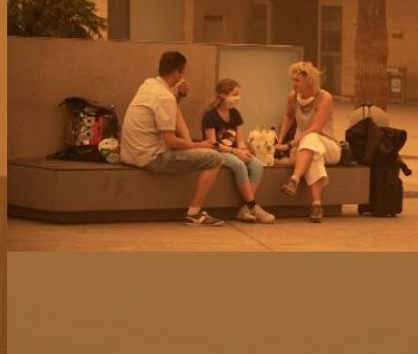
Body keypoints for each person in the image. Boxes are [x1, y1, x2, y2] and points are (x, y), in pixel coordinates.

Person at [120, 51, 225, 226]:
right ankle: (194, 213)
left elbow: (167, 109)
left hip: (130, 152)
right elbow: (171, 142)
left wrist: (179, 96)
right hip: (150, 158)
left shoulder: (149, 84)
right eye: (183, 72)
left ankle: (195, 144)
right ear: (178, 72)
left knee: (175, 109)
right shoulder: (165, 97)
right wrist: (199, 145)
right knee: (215, 158)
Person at [200, 78, 275, 224]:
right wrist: (235, 152)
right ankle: (253, 206)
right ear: (222, 95)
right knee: (239, 165)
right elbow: (213, 143)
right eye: (234, 94)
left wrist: (242, 149)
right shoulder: (210, 115)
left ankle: (244, 209)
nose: (237, 98)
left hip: (234, 150)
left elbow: (240, 138)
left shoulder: (235, 114)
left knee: (257, 165)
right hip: (218, 152)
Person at [274, 61, 340, 223]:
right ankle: (316, 205)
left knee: (310, 138)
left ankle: (294, 178)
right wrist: (279, 140)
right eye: (293, 79)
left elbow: (315, 128)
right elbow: (288, 117)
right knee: (313, 156)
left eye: (297, 80)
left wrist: (289, 145)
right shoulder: (293, 96)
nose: (293, 84)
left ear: (309, 81)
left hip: (328, 146)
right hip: (305, 147)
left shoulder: (325, 97)